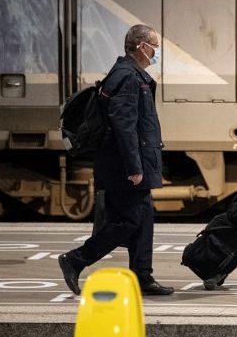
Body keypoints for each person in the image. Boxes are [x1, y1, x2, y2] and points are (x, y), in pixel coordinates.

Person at [58, 24, 174, 296]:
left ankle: (142, 276)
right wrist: (134, 168)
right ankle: (76, 259)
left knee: (143, 219)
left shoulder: (131, 74)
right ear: (141, 46)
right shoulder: (126, 77)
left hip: (131, 163)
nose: (156, 52)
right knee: (128, 221)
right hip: (124, 167)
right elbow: (123, 126)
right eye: (154, 46)